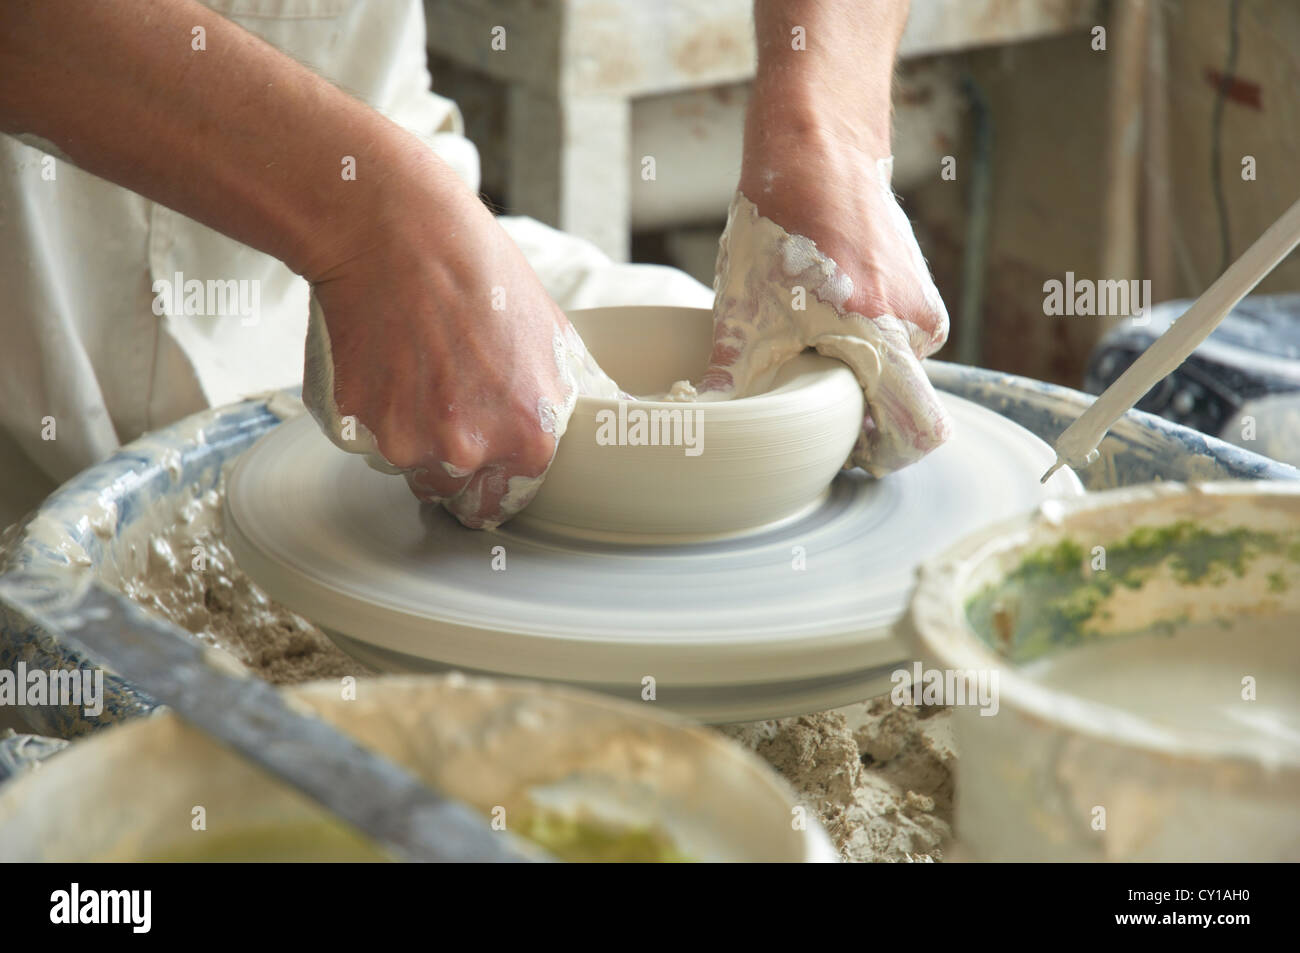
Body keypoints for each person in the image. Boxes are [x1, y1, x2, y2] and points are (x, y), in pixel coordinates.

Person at [0, 0, 947, 530]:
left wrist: (824, 128)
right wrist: (372, 219)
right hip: (34, 317)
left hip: (410, 209)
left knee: (719, 384)